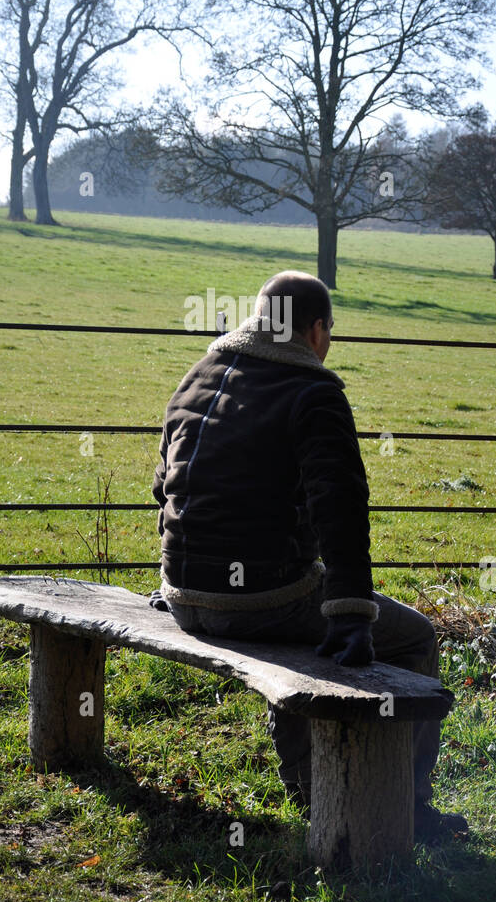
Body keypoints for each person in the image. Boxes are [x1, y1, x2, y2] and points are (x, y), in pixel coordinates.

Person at [151, 270, 467, 842]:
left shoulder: (199, 376)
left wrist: (178, 577)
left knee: (298, 621)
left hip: (182, 598)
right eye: (330, 331)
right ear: (316, 330)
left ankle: (307, 786)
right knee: (415, 638)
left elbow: (165, 486)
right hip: (260, 599)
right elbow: (340, 507)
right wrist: (350, 613)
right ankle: (410, 807)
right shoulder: (314, 393)